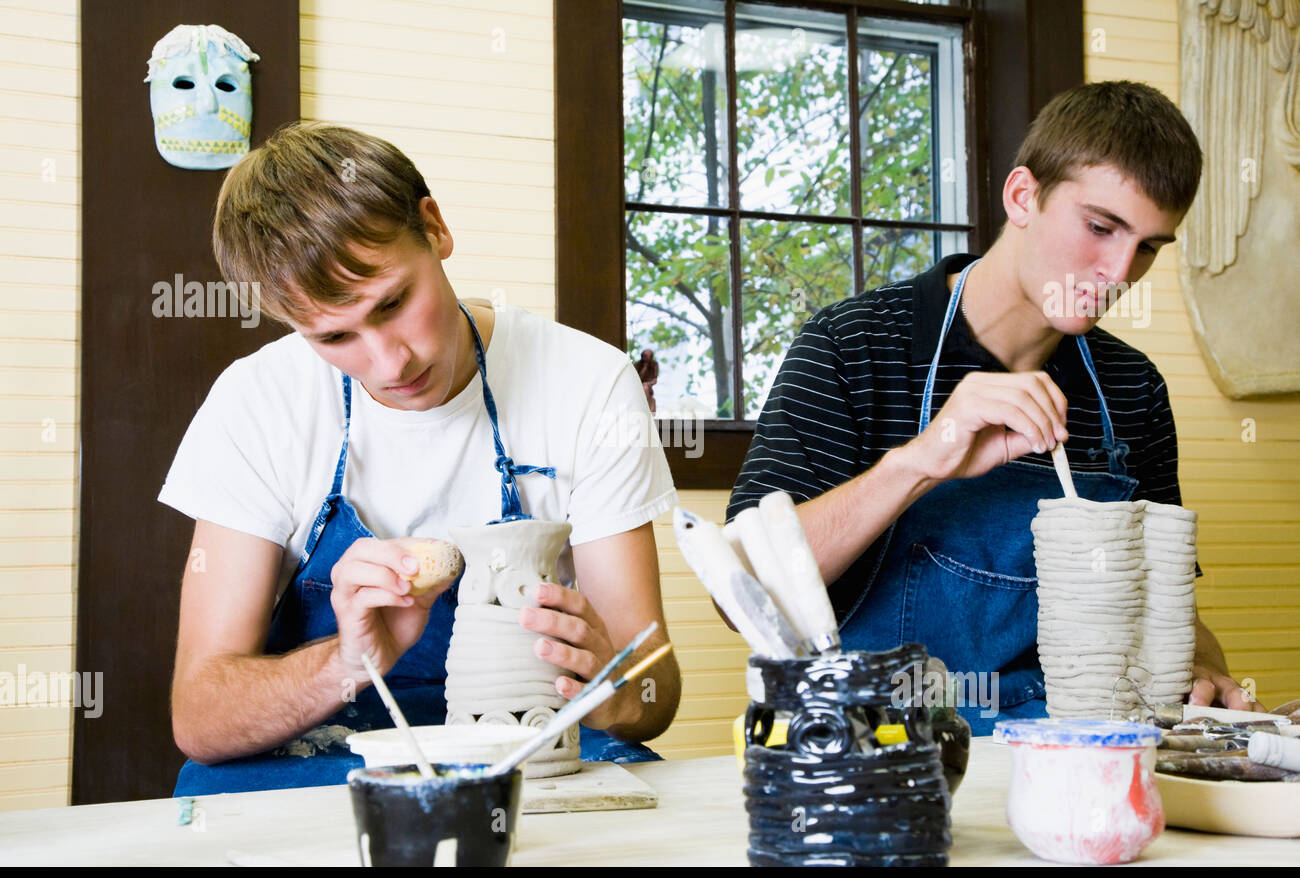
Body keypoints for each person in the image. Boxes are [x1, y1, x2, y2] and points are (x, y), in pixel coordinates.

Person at [160, 122, 681, 794]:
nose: (389, 362)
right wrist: (347, 661)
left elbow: (654, 695)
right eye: (335, 336)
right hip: (318, 769)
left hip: (529, 762)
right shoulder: (259, 402)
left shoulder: (588, 383)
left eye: (395, 303)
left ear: (434, 227)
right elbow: (200, 715)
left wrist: (610, 688)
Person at [728, 82, 1262, 734]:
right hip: (873, 756)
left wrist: (1203, 668)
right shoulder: (852, 346)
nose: (1118, 271)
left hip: (1062, 751)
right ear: (1022, 196)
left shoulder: (1131, 387)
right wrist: (922, 461)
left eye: (1149, 247)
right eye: (1100, 227)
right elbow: (741, 591)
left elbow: (1161, 600)